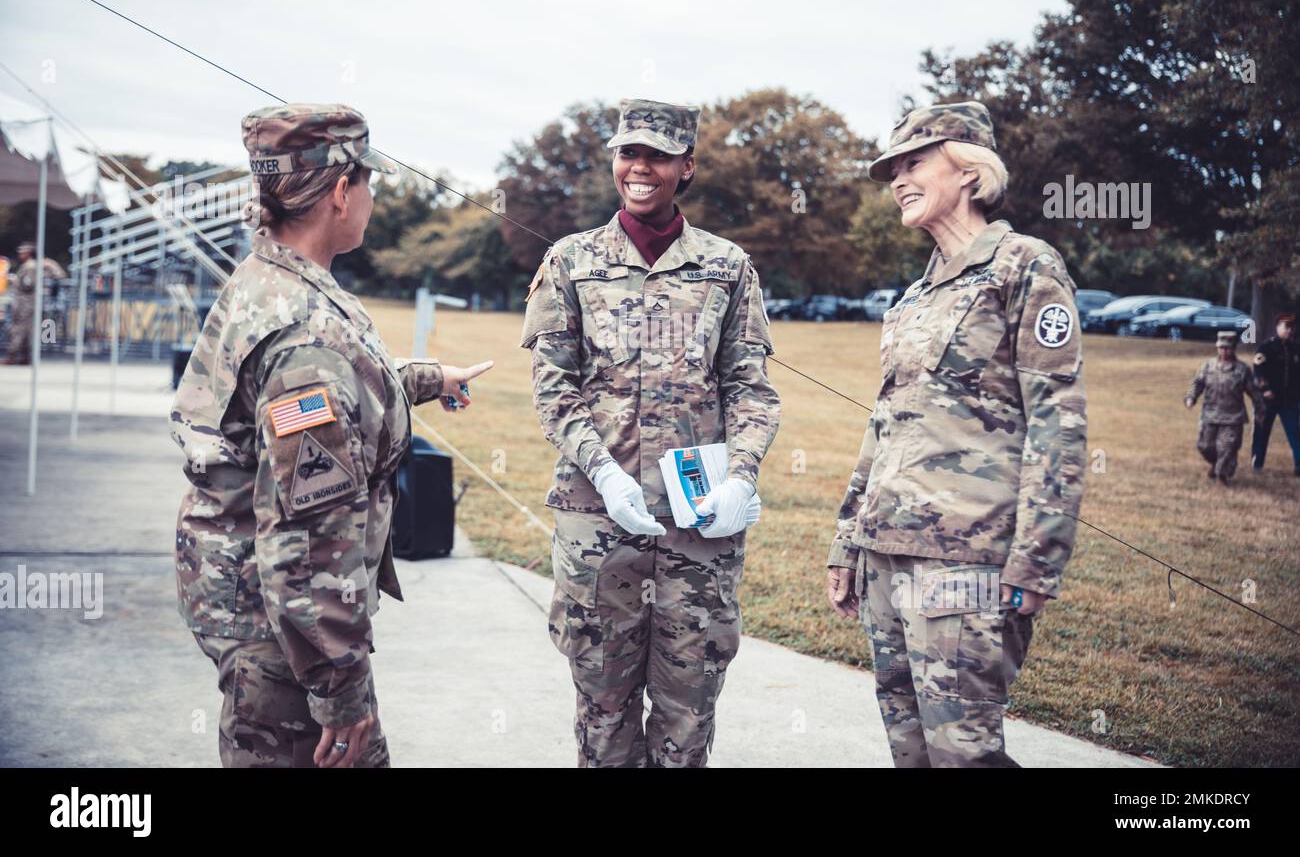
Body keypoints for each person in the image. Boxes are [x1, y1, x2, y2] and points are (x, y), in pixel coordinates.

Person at [171, 104, 493, 767]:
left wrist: (429, 378)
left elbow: (330, 388)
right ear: (341, 191)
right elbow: (309, 539)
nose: (372, 200)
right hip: (283, 638)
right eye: (368, 184)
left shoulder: (271, 280)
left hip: (253, 610)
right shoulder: (306, 336)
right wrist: (342, 694)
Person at [825, 101, 1087, 767]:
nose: (898, 181)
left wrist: (1038, 559)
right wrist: (847, 541)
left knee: (963, 752)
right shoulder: (914, 297)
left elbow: (1058, 421)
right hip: (886, 553)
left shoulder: (1024, 266)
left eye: (914, 163)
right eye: (893, 171)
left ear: (968, 171)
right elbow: (884, 423)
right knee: (910, 747)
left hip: (966, 560)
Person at [521, 98, 780, 767]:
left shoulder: (727, 266)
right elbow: (554, 389)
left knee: (688, 711)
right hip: (598, 522)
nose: (639, 168)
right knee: (603, 710)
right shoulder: (570, 260)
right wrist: (603, 471)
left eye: (657, 156)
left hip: (697, 526)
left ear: (685, 166)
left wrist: (742, 477)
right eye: (627, 153)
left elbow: (750, 389)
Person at [1185, 331, 1263, 484]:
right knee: (1204, 446)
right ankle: (1218, 464)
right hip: (1210, 414)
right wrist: (1191, 398)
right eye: (1221, 348)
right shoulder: (1208, 366)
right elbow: (1197, 383)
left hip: (1233, 417)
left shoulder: (1242, 369)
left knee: (1226, 447)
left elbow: (1254, 391)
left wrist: (1260, 408)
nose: (1224, 351)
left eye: (1227, 348)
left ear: (1233, 349)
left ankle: (1222, 473)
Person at [1250, 312, 1300, 475]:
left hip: (1290, 400)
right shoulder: (1267, 348)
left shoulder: (1295, 349)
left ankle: (1299, 465)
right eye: (1287, 327)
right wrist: (1265, 389)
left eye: (1292, 327)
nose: (1290, 330)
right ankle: (1257, 464)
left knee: (1295, 433)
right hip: (1268, 400)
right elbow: (1258, 371)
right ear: (1278, 327)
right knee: (1261, 433)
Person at [3, 241, 67, 365]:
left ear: (28, 253)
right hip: (28, 303)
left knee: (18, 330)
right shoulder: (33, 265)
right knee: (25, 330)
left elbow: (28, 284)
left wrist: (15, 280)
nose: (20, 255)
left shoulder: (30, 266)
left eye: (23, 252)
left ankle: (12, 355)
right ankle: (24, 357)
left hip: (25, 303)